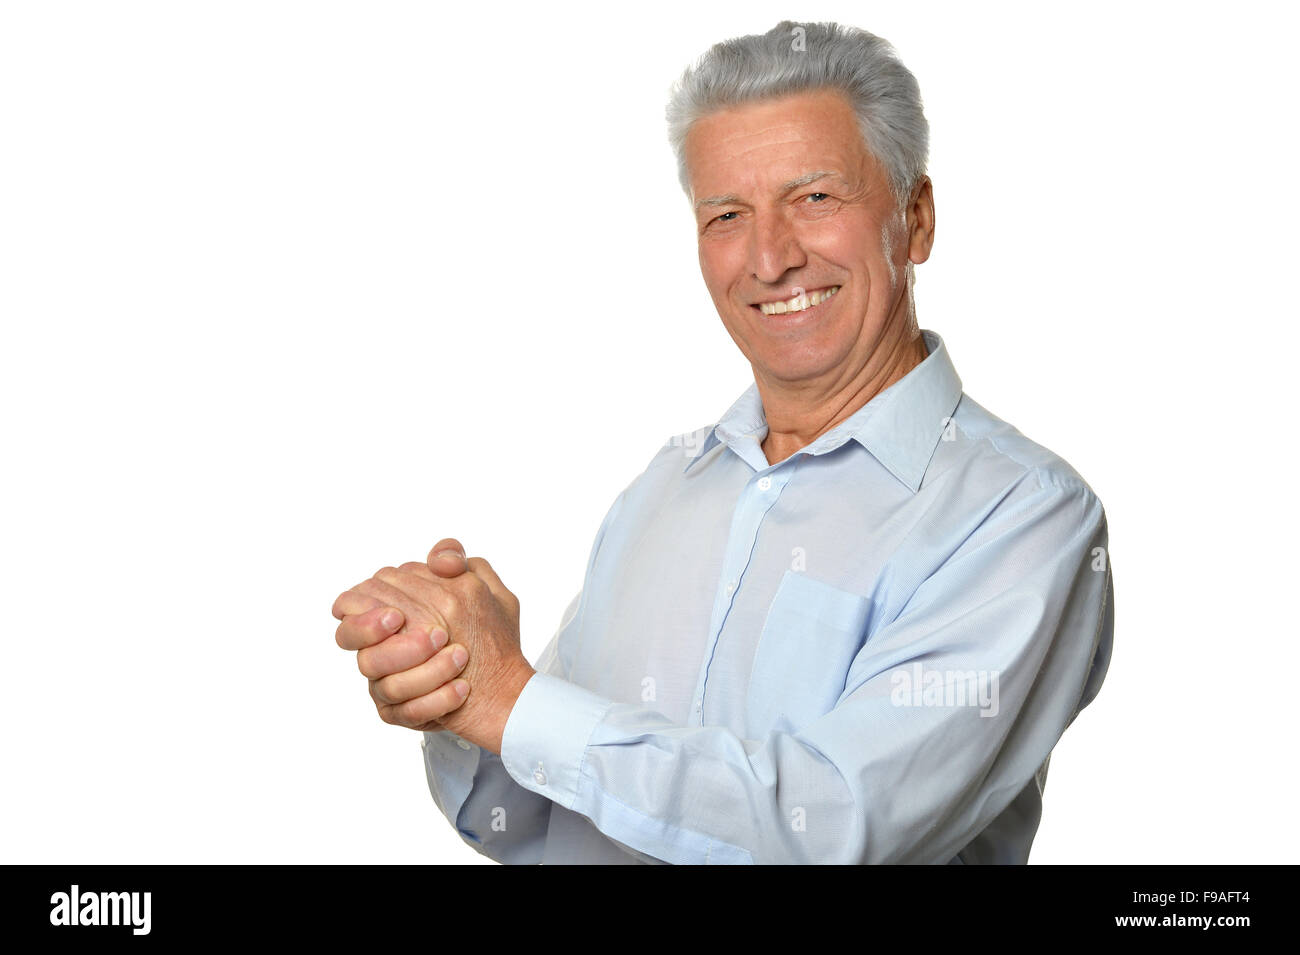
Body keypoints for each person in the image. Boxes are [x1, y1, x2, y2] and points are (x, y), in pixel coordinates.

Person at [331, 20, 1114, 864]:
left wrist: (513, 700)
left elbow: (836, 826)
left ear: (916, 220)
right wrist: (456, 691)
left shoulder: (1025, 518)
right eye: (727, 214)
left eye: (814, 198)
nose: (770, 258)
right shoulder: (666, 487)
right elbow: (536, 824)